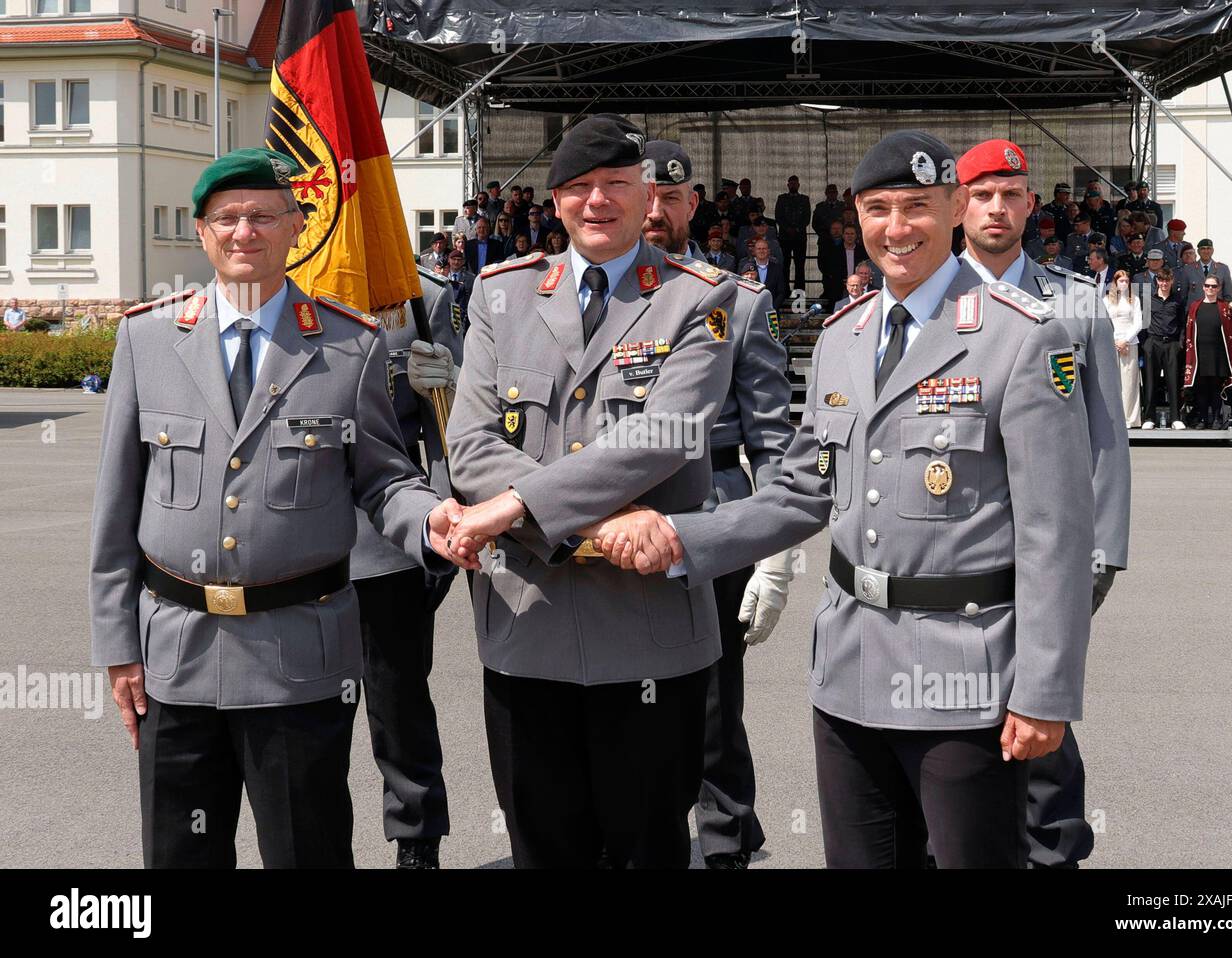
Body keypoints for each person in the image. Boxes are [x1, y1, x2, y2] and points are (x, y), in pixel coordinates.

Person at [580, 130, 1095, 869]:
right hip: (851, 672)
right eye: (879, 209)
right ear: (854, 220)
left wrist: (1044, 690)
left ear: (954, 209)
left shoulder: (1022, 339)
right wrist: (678, 534)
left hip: (966, 679)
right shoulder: (842, 339)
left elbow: (1057, 533)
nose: (897, 227)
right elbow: (801, 490)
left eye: (918, 206)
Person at [88, 148, 473, 869]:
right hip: (176, 658)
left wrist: (432, 520)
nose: (244, 232)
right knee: (180, 856)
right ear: (201, 233)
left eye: (263, 216)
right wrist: (118, 647)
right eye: (226, 218)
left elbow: (384, 481)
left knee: (308, 852)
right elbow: (115, 511)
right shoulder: (144, 339)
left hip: (298, 657)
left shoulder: (349, 344)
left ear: (297, 226)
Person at [427, 114, 742, 869]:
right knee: (544, 848)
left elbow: (664, 435)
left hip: (648, 634)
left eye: (615, 186)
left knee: (648, 849)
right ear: (556, 201)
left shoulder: (700, 297)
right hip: (526, 629)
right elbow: (469, 444)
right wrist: (591, 524)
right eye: (578, 188)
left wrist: (514, 507)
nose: (596, 201)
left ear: (649, 197)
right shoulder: (500, 296)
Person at [957, 138, 1131, 868]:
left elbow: (1105, 436)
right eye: (984, 194)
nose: (999, 207)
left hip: (1053, 550)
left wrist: (1102, 552)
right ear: (959, 206)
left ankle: (1054, 847)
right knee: (960, 716)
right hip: (958, 552)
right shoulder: (928, 298)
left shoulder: (1076, 301)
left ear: (1032, 204)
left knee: (1041, 696)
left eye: (1012, 193)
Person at [638, 139, 795, 869]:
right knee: (618, 700)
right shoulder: (589, 299)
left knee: (710, 697)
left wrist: (778, 555)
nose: (654, 210)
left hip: (710, 525)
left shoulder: (738, 298)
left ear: (692, 204)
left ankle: (727, 834)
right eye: (640, 194)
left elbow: (771, 439)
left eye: (669, 197)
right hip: (604, 531)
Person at [351, 261, 463, 869]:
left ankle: (416, 838)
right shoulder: (272, 287)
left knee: (397, 707)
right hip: (287, 551)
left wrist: (443, 532)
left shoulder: (417, 296)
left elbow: (449, 431)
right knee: (294, 722)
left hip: (386, 547)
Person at [1183, 275, 1232, 429]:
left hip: (1218, 354)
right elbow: (1189, 330)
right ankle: (1202, 418)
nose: (1210, 289)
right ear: (1203, 287)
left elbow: (1231, 333)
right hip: (1200, 353)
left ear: (1219, 288)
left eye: (1214, 286)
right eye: (1208, 286)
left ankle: (1216, 418)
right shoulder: (1195, 306)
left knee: (1215, 387)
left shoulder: (1224, 307)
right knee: (1201, 387)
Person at [1141, 268, 1186, 430]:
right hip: (1153, 343)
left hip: (1172, 344)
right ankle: (1149, 417)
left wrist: (1180, 343)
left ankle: (1175, 418)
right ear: (1157, 281)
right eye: (1161, 280)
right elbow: (1143, 323)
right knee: (1150, 381)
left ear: (1172, 281)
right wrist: (1145, 345)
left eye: (1167, 281)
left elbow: (1182, 323)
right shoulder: (1148, 299)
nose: (1164, 284)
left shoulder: (1178, 299)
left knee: (1173, 381)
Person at [1104, 270, 1145, 428]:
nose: (1124, 283)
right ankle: (1113, 418)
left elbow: (1138, 323)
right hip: (1111, 343)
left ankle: (1130, 419)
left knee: (1129, 382)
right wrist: (1115, 341)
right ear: (1115, 282)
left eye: (1126, 281)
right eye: (1121, 281)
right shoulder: (1106, 300)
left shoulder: (1133, 299)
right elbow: (1105, 322)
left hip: (1129, 344)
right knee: (1112, 382)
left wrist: (1125, 341)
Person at [776, 174, 811, 291]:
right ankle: (784, 291)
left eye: (795, 183)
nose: (793, 185)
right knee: (784, 265)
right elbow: (778, 216)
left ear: (798, 185)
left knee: (800, 266)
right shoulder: (782, 198)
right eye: (791, 183)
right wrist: (787, 229)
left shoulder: (804, 199)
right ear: (788, 185)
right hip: (784, 237)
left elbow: (807, 218)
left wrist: (796, 229)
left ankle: (799, 292)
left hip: (800, 237)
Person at [1187, 239, 1232, 303]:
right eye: (1203, 249)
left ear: (1212, 251)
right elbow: (1183, 295)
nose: (1206, 251)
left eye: (1208, 248)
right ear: (1198, 251)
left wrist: (1222, 308)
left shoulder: (1223, 269)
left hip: (1215, 309)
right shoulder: (1188, 269)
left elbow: (1228, 294)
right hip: (1195, 310)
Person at [749, 239, 787, 305]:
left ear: (768, 251)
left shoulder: (777, 268)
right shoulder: (747, 268)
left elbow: (782, 292)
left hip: (772, 310)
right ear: (754, 251)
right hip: (752, 310)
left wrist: (772, 308)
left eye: (764, 248)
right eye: (759, 249)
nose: (761, 251)